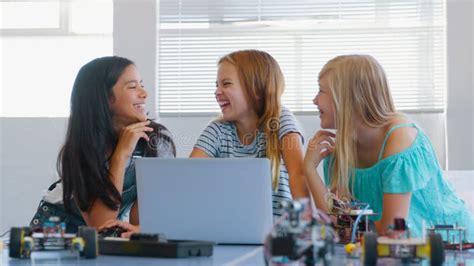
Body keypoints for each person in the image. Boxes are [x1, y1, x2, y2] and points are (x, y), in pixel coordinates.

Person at [304, 54, 474, 239]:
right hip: (389, 251)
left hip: (446, 246)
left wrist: (350, 226)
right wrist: (309, 169)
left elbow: (392, 230)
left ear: (345, 98)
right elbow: (339, 225)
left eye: (321, 91)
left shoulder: (400, 138)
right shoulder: (340, 151)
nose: (314, 100)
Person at [30, 56, 176, 234]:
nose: (144, 93)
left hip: (101, 238)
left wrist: (139, 230)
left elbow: (142, 221)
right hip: (56, 228)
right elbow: (101, 224)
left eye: (142, 84)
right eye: (132, 86)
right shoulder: (83, 147)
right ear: (104, 98)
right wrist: (121, 154)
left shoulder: (154, 140)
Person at [190, 49, 309, 218]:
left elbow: (298, 174)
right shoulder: (217, 129)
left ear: (257, 90)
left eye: (226, 84)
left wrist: (306, 224)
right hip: (229, 226)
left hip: (278, 232)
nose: (217, 92)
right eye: (216, 85)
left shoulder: (281, 119)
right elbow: (189, 177)